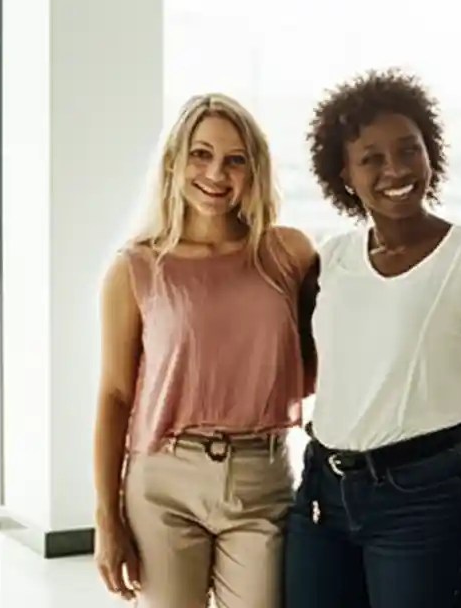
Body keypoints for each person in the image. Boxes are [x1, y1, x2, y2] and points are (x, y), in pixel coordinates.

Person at [282, 68, 461, 608]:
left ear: (429, 152)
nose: (396, 169)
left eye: (409, 150)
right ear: (343, 174)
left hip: (425, 492)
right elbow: (330, 364)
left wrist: (444, 383)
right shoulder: (332, 259)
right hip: (323, 487)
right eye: (371, 158)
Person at [93, 93, 318, 607]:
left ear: (254, 170)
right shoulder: (136, 269)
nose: (216, 172)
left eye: (235, 159)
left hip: (262, 478)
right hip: (163, 481)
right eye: (201, 154)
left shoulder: (289, 255)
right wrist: (107, 520)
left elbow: (321, 359)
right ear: (174, 161)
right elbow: (114, 396)